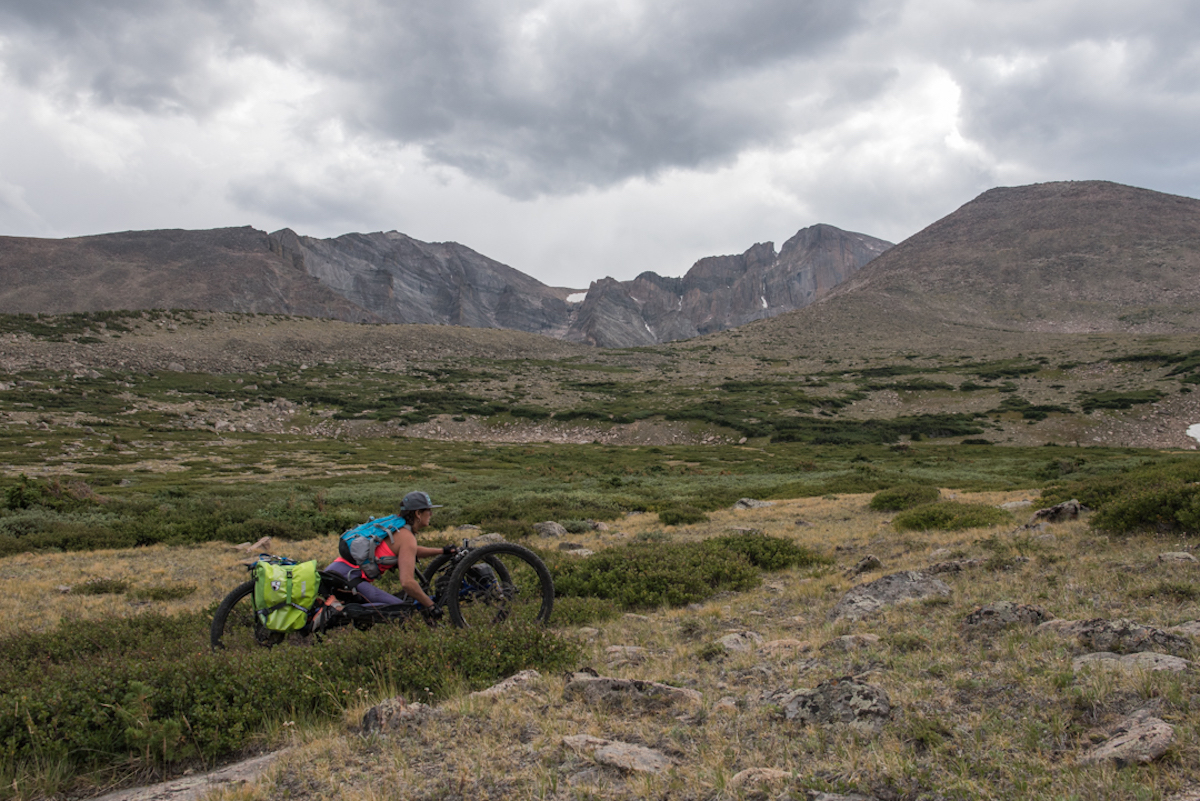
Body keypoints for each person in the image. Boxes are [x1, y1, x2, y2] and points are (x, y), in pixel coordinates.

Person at [322, 490, 455, 617]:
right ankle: (338, 611)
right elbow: (407, 583)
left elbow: (410, 551)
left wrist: (442, 551)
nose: (431, 514)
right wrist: (431, 605)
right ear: (418, 514)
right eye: (429, 510)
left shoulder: (397, 527)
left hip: (337, 571)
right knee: (401, 609)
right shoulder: (406, 537)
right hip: (348, 579)